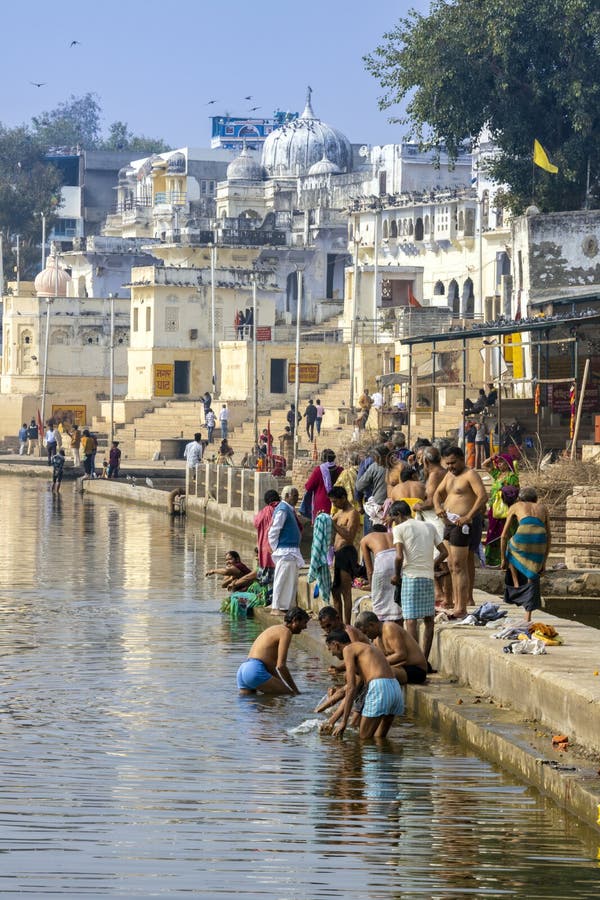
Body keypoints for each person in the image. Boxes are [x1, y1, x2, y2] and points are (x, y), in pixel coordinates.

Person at [434, 446, 488, 619]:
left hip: (461, 523)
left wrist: (468, 516)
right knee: (451, 565)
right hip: (448, 523)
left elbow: (482, 496)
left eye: (453, 463)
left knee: (459, 565)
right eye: (447, 463)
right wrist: (437, 507)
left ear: (462, 459)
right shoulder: (449, 475)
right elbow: (437, 493)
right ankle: (457, 603)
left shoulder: (470, 474)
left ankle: (461, 606)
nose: (450, 466)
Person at [390, 500, 447, 661]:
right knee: (429, 619)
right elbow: (444, 552)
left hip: (411, 577)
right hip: (428, 578)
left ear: (399, 515)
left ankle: (414, 661)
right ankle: (424, 658)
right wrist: (432, 565)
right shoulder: (429, 526)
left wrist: (396, 575)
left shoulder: (399, 529)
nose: (394, 522)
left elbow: (399, 556)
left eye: (394, 518)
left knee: (410, 619)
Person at [324, 630, 404, 739]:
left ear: (336, 644)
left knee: (364, 740)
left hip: (379, 687)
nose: (332, 653)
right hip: (395, 687)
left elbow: (351, 688)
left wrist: (344, 722)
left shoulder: (348, 649)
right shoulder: (367, 648)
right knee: (379, 739)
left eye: (330, 649)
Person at [501, 487, 551, 622]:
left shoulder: (516, 506)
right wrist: (544, 562)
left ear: (520, 499)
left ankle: (516, 583)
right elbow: (549, 536)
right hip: (540, 540)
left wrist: (503, 559)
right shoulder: (543, 507)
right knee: (532, 574)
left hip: (522, 537)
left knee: (510, 550)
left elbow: (504, 536)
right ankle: (527, 616)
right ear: (536, 499)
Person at [236, 607, 309, 695]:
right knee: (287, 696)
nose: (305, 627)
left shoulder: (274, 628)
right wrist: (295, 691)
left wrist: (282, 685)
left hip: (243, 670)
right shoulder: (286, 632)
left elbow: (271, 668)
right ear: (295, 620)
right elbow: (281, 666)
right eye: (304, 623)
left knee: (260, 705)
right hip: (255, 670)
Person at [356, 611, 427, 685]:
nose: (366, 636)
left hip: (417, 670)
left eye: (365, 632)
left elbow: (401, 654)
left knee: (377, 672)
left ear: (372, 625)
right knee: (361, 672)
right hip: (401, 667)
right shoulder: (376, 640)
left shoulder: (389, 628)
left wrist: (378, 663)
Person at [268, 486, 304, 615]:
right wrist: (276, 548)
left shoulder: (289, 509)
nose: (296, 499)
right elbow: (274, 531)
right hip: (285, 550)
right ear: (287, 496)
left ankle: (286, 606)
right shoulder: (283, 510)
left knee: (290, 579)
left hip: (291, 550)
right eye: (294, 496)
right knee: (281, 578)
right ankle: (276, 606)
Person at [329, 485, 361, 624]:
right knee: (335, 591)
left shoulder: (352, 513)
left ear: (343, 498)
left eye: (335, 501)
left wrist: (334, 524)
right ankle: (338, 623)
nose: (334, 504)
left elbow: (349, 536)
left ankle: (347, 625)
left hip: (347, 553)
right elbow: (328, 523)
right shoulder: (339, 513)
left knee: (345, 592)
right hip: (338, 554)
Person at [482, 454, 520, 566]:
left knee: (507, 534)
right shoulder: (497, 474)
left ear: (508, 464)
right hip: (495, 510)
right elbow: (484, 465)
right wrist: (492, 458)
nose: (499, 464)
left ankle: (508, 560)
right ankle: (493, 561)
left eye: (501, 462)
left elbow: (514, 493)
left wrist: (502, 491)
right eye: (498, 462)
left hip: (506, 510)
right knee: (493, 534)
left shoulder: (512, 476)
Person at [360, 525, 401, 623]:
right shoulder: (393, 534)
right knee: (397, 600)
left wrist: (373, 587)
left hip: (382, 563)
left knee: (379, 605)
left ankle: (382, 631)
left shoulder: (365, 539)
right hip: (397, 562)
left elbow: (370, 571)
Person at [303, 449, 343, 521]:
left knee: (322, 525)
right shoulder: (340, 470)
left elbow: (308, 487)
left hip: (322, 504)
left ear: (323, 458)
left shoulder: (319, 470)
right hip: (338, 503)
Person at [254, 489, 280, 576]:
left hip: (265, 550)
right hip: (278, 549)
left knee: (268, 581)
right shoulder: (281, 509)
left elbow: (255, 523)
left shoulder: (263, 512)